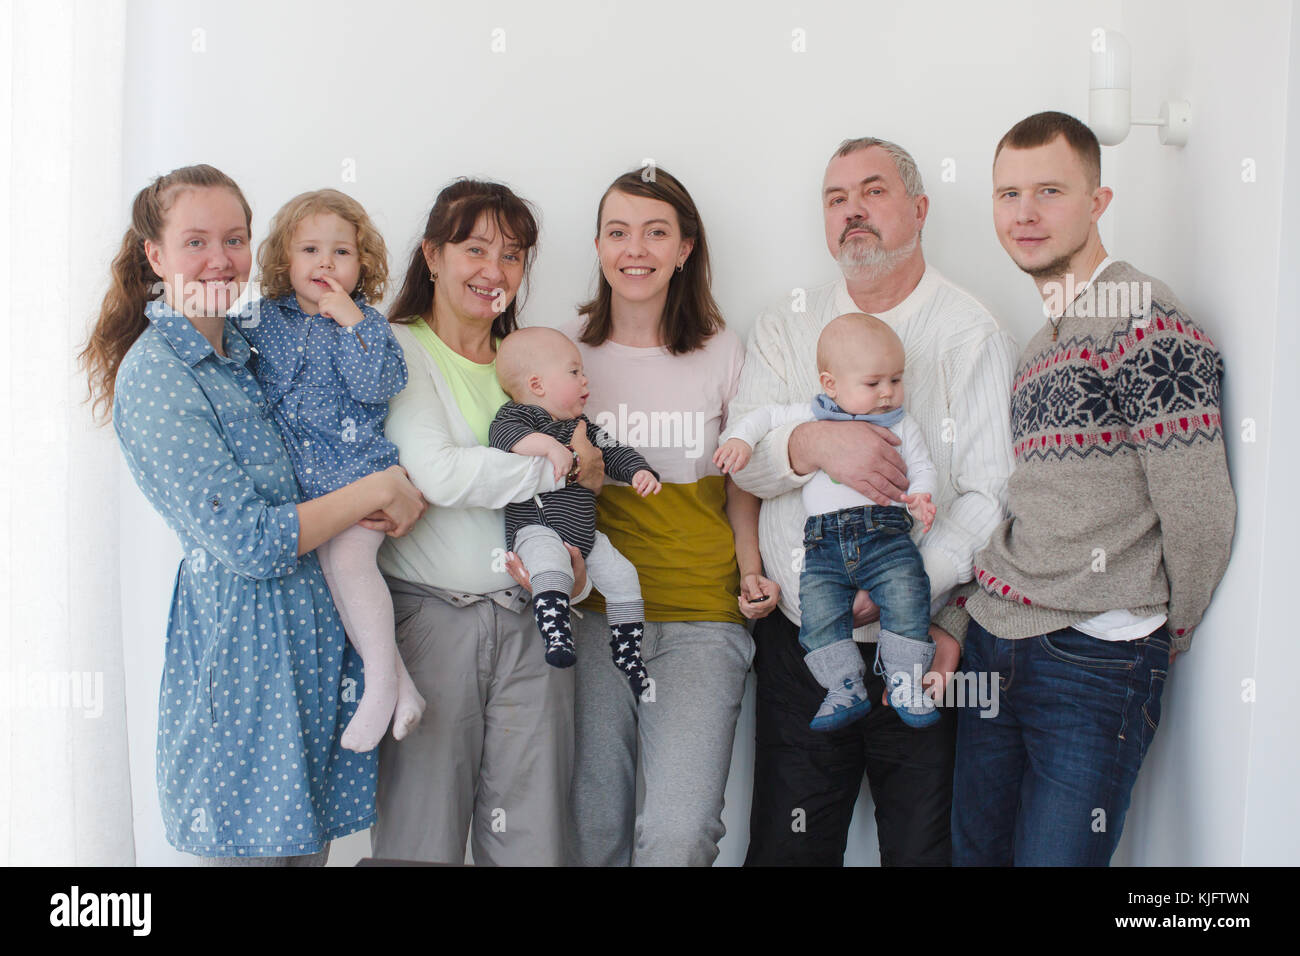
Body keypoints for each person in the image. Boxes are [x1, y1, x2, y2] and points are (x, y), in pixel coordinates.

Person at [80, 164, 426, 865]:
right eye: (196, 241)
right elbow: (251, 541)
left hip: (305, 654)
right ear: (155, 255)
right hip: (241, 665)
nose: (219, 259)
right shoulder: (158, 376)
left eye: (233, 239)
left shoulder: (245, 352)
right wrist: (378, 489)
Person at [939, 111, 1236, 866]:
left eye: (1049, 191)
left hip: (1095, 657)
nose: (1025, 214)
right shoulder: (1041, 343)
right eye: (1008, 195)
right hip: (997, 644)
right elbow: (1032, 504)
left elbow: (1199, 510)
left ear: (1098, 202)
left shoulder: (1145, 318)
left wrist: (1158, 631)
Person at [730, 137, 1018, 867]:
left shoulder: (969, 332)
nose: (852, 210)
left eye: (873, 191)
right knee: (786, 853)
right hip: (801, 648)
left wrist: (904, 585)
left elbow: (992, 494)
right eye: (835, 199)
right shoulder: (783, 325)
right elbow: (749, 466)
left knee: (924, 854)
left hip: (922, 647)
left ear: (919, 210)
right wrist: (817, 446)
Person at [373, 179, 604, 866]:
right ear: (433, 255)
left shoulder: (532, 357)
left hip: (535, 621)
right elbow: (440, 473)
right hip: (430, 624)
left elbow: (585, 490)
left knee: (534, 841)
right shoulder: (398, 348)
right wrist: (559, 465)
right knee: (421, 838)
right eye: (475, 249)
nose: (493, 271)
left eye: (512, 255)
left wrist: (579, 572)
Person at [553, 166, 779, 866]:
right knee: (593, 830)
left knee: (679, 835)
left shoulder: (722, 347)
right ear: (597, 246)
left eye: (657, 232)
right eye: (618, 232)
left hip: (702, 618)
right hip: (594, 616)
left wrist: (751, 570)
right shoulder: (565, 352)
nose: (636, 249)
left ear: (686, 248)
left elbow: (739, 483)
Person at [242, 188, 424, 752]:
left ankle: (379, 688)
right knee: (336, 581)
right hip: (305, 493)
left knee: (351, 567)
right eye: (310, 250)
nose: (325, 263)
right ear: (283, 261)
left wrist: (349, 320)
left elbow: (379, 386)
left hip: (356, 476)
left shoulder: (368, 324)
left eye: (341, 253)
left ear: (362, 264)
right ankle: (405, 688)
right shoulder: (258, 320)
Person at [717, 313, 939, 731]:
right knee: (817, 614)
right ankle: (842, 686)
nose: (888, 394)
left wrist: (921, 497)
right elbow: (764, 417)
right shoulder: (812, 415)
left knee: (909, 596)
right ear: (831, 384)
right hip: (823, 543)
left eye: (896, 379)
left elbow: (923, 467)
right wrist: (739, 441)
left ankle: (905, 680)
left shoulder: (901, 424)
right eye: (873, 384)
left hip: (887, 534)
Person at [490, 326, 661, 691]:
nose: (585, 379)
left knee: (623, 575)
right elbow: (504, 438)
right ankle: (557, 634)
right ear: (537, 385)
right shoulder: (519, 417)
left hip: (585, 533)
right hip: (537, 529)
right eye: (574, 372)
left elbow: (612, 453)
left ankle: (627, 649)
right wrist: (552, 449)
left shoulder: (583, 426)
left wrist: (639, 471)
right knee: (551, 565)